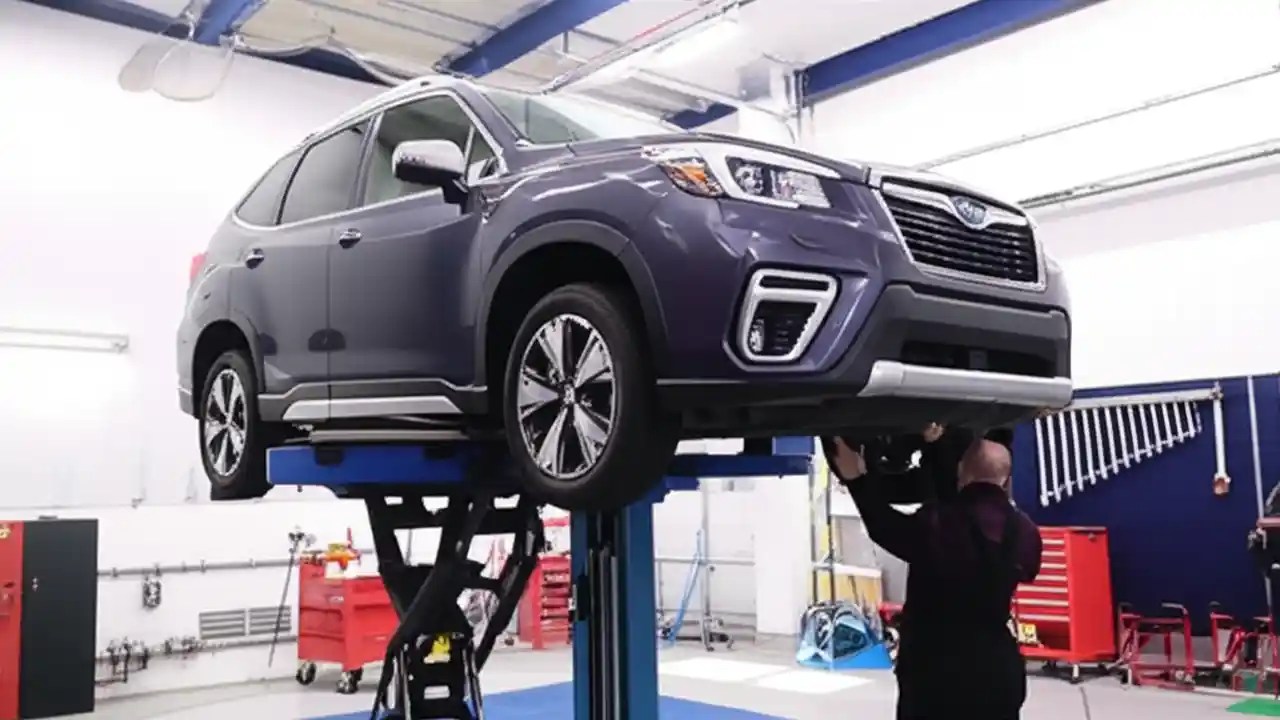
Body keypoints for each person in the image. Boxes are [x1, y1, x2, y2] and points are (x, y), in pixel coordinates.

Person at [826, 432, 1042, 720]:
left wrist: (857, 480)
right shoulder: (1024, 531)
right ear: (1004, 478)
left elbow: (884, 527)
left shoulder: (939, 523)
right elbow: (1028, 570)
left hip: (935, 667)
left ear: (961, 472)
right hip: (996, 665)